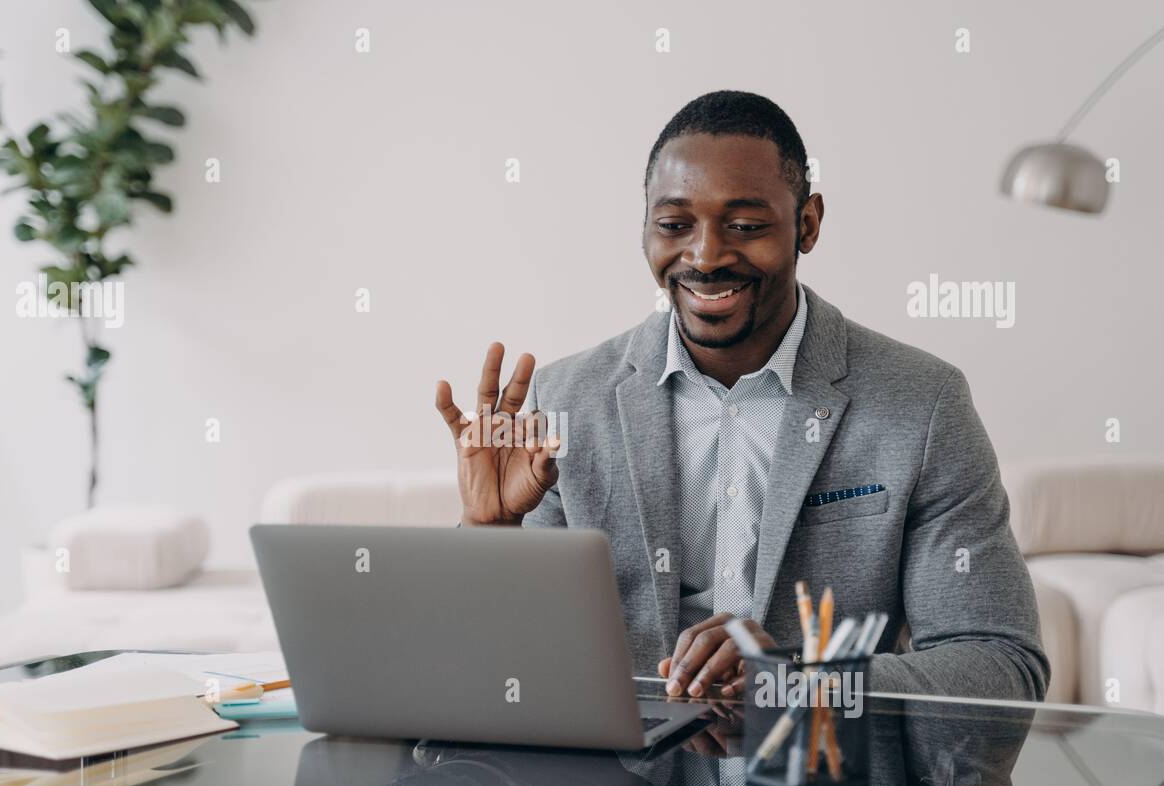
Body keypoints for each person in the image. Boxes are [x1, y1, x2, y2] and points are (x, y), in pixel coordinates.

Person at [434, 91, 1048, 704]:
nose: (706, 256)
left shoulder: (923, 403)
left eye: (746, 227)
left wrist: (797, 686)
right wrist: (489, 535)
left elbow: (1000, 664)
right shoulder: (565, 400)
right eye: (674, 225)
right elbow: (505, 682)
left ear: (807, 224)